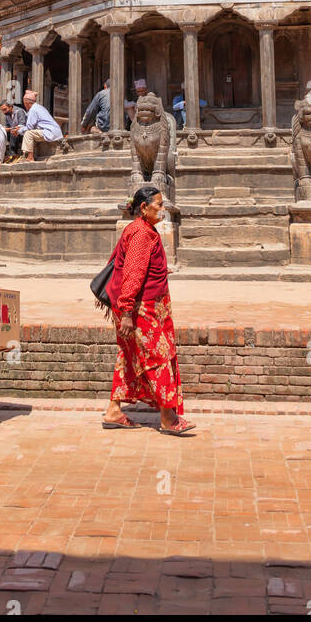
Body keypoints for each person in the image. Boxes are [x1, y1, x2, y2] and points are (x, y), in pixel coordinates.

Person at [102, 185, 194, 436]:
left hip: (142, 308)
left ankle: (114, 411)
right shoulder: (142, 234)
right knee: (158, 358)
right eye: (159, 205)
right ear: (144, 207)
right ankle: (168, 418)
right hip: (141, 311)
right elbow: (132, 275)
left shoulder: (142, 230)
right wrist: (129, 312)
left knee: (128, 358)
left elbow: (139, 267)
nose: (163, 209)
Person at [19, 90, 63, 160]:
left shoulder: (33, 110)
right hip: (55, 132)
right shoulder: (39, 107)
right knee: (31, 133)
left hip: (50, 132)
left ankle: (30, 157)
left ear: (26, 102)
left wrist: (19, 130)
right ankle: (30, 155)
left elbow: (29, 127)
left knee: (28, 134)